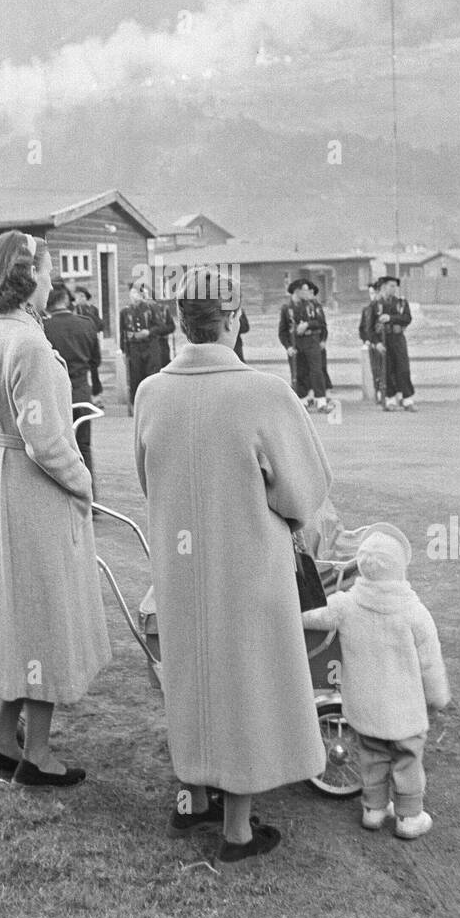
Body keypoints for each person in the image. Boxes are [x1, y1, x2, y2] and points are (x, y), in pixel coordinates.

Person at [134, 266, 331, 868]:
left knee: (191, 672)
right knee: (244, 680)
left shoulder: (150, 391)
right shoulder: (265, 392)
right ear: (235, 318)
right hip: (247, 561)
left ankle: (193, 797)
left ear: (176, 321)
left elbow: (148, 479)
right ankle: (239, 830)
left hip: (179, 561)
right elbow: (302, 494)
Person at [0, 230, 111, 788]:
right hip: (32, 485)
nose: (52, 282)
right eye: (46, 272)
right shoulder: (30, 345)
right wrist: (83, 483)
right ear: (28, 277)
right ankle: (36, 752)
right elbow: (46, 441)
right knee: (44, 611)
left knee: (13, 610)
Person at [301, 524, 450, 839]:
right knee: (407, 761)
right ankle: (409, 817)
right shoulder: (415, 613)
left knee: (372, 756)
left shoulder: (346, 604)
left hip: (364, 706)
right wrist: (437, 697)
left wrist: (288, 609)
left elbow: (312, 615)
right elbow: (430, 663)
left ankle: (373, 810)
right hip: (404, 711)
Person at [43, 283, 103, 487]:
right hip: (81, 391)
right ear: (66, 300)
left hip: (55, 394)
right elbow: (96, 360)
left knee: (59, 447)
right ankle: (90, 496)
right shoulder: (86, 324)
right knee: (84, 445)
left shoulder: (44, 327)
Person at [279, 279, 328, 412]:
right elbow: (282, 332)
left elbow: (321, 323)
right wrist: (288, 347)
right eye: (305, 290)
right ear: (297, 291)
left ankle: (321, 401)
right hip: (296, 344)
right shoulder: (286, 308)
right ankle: (303, 400)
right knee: (299, 372)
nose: (308, 292)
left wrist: (307, 324)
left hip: (311, 341)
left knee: (316, 371)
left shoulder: (313, 305)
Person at [119, 282, 163, 407]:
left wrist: (149, 332)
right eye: (133, 292)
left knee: (151, 375)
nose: (135, 295)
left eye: (138, 292)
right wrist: (123, 351)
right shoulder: (125, 312)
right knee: (135, 377)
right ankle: (137, 405)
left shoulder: (151, 308)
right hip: (134, 348)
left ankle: (154, 404)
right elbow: (123, 333)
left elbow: (161, 327)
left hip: (150, 346)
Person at [375, 276, 416, 411]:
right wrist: (376, 342)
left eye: (395, 286)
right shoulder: (378, 304)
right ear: (384, 287)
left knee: (403, 368)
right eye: (390, 286)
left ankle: (407, 399)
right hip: (385, 339)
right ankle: (390, 399)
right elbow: (371, 325)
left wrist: (391, 318)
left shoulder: (401, 303)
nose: (393, 288)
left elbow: (407, 318)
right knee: (388, 369)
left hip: (398, 339)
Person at [358, 283, 382, 401]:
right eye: (371, 293)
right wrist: (366, 340)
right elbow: (362, 328)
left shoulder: (384, 308)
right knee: (376, 369)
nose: (373, 296)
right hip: (373, 345)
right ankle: (378, 392)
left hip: (384, 344)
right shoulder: (367, 310)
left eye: (375, 293)